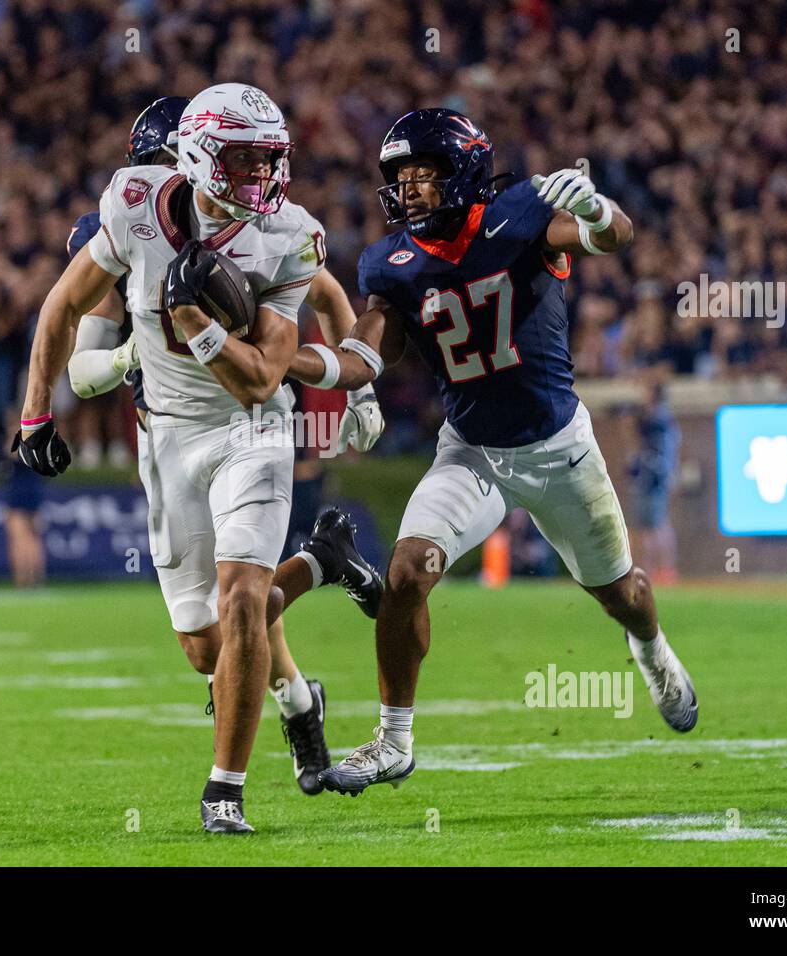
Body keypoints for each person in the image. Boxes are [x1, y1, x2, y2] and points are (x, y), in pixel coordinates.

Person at [287, 108, 700, 797]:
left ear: (466, 173)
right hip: (472, 451)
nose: (411, 189)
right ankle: (394, 742)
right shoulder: (392, 263)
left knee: (622, 595)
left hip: (560, 449)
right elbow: (361, 353)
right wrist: (297, 371)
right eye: (402, 178)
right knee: (408, 571)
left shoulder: (522, 212)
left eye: (426, 174)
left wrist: (596, 209)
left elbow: (617, 238)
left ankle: (652, 650)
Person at [14, 85, 383, 834]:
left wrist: (197, 324)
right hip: (166, 436)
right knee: (203, 646)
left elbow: (264, 375)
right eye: (241, 160)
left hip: (253, 430)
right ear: (190, 158)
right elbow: (61, 306)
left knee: (243, 600)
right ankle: (318, 567)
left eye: (265, 160)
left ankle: (225, 792)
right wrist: (36, 411)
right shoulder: (131, 205)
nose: (257, 178)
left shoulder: (287, 231)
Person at [628, 381, 680, 584]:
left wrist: (631, 422)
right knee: (649, 527)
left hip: (653, 478)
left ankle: (661, 570)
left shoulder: (658, 419)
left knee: (654, 527)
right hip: (650, 478)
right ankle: (654, 570)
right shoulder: (663, 419)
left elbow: (638, 438)